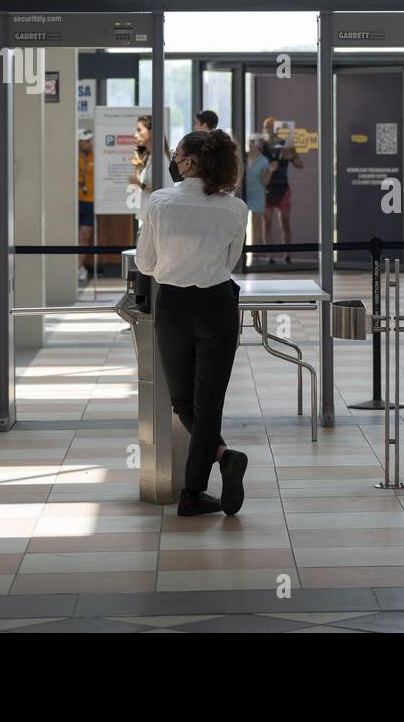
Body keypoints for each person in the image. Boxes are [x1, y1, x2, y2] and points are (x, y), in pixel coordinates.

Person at [135, 129, 250, 517]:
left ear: (188, 162)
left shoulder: (159, 202)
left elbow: (145, 264)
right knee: (209, 402)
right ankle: (206, 476)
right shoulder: (234, 208)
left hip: (174, 307)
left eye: (176, 154)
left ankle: (206, 479)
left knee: (182, 401)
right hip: (217, 304)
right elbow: (231, 261)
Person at [260, 117, 303, 264]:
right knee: (267, 222)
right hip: (266, 189)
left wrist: (292, 156)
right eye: (266, 127)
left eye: (271, 127)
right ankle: (269, 256)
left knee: (285, 223)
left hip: (283, 188)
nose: (268, 130)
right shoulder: (261, 146)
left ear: (277, 128)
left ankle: (287, 255)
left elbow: (300, 164)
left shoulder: (286, 145)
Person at [245, 136, 271, 260]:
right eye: (251, 141)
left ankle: (254, 253)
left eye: (254, 142)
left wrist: (271, 171)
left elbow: (264, 182)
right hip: (244, 194)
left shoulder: (264, 160)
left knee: (256, 224)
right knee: (241, 224)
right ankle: (241, 253)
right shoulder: (243, 157)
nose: (252, 144)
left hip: (258, 194)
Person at [77, 129, 95, 283]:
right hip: (74, 201)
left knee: (84, 235)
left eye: (90, 140)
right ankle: (74, 267)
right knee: (72, 237)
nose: (88, 143)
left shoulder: (95, 156)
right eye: (85, 140)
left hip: (90, 201)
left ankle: (79, 266)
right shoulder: (73, 157)